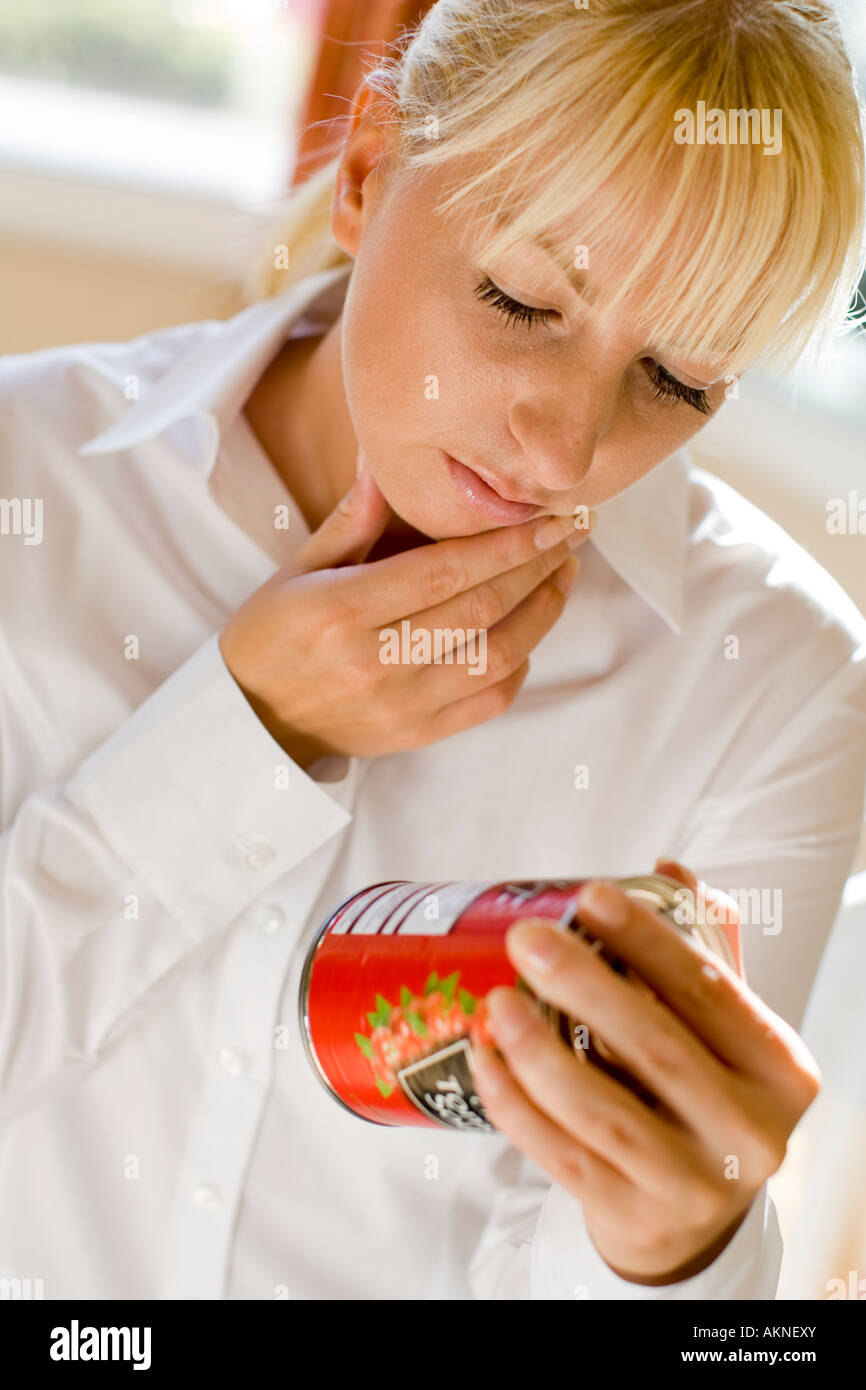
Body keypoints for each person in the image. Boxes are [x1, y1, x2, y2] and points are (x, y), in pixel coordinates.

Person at [1, 0, 865, 1301]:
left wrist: (679, 1253)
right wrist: (239, 733)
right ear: (365, 170)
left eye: (678, 381)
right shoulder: (30, 480)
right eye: (521, 299)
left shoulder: (774, 685)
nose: (564, 449)